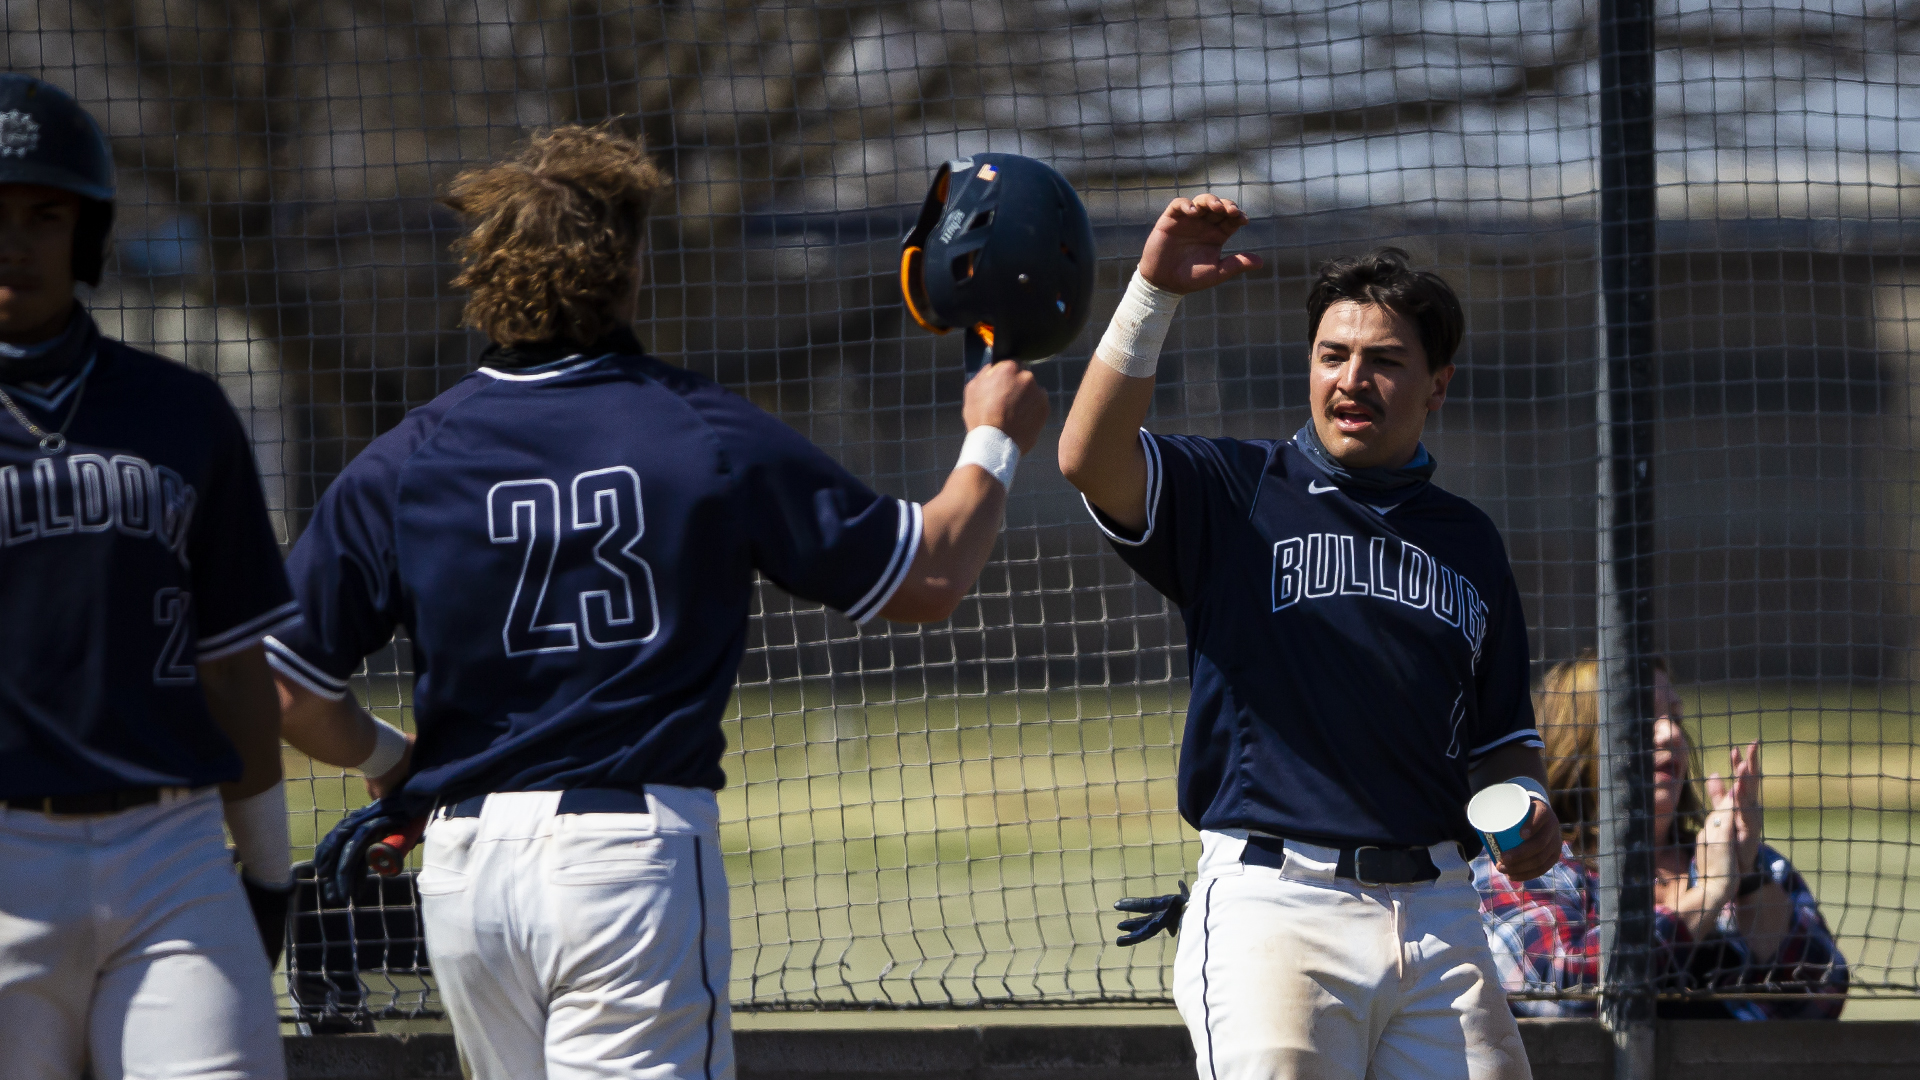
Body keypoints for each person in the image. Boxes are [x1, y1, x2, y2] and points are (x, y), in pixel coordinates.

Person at [264, 125, 1049, 1080]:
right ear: (627, 266)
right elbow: (928, 576)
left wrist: (397, 763)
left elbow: (288, 689)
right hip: (624, 862)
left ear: (490, 269)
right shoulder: (699, 431)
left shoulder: (405, 460)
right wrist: (991, 438)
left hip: (469, 873)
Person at [1066, 197, 1558, 1080]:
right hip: (1278, 906)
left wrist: (1529, 813)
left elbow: (1500, 746)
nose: (1351, 379)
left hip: (1442, 909)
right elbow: (1089, 456)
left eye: (1384, 361)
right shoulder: (1237, 490)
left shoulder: (1469, 539)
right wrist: (1151, 293)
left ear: (1437, 384)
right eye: (1333, 355)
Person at [0, 75, 297, 1079]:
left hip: (170, 852)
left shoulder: (181, 409)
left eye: (46, 215)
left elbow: (234, 668)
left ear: (87, 236)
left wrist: (265, 870)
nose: (17, 243)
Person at [1473, 654, 1847, 1019]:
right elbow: (1561, 990)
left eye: (1677, 717)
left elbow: (1824, 996)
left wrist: (1748, 880)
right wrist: (1709, 896)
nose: (1671, 733)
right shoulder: (1527, 864)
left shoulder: (1742, 858)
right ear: (1581, 743)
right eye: (1643, 719)